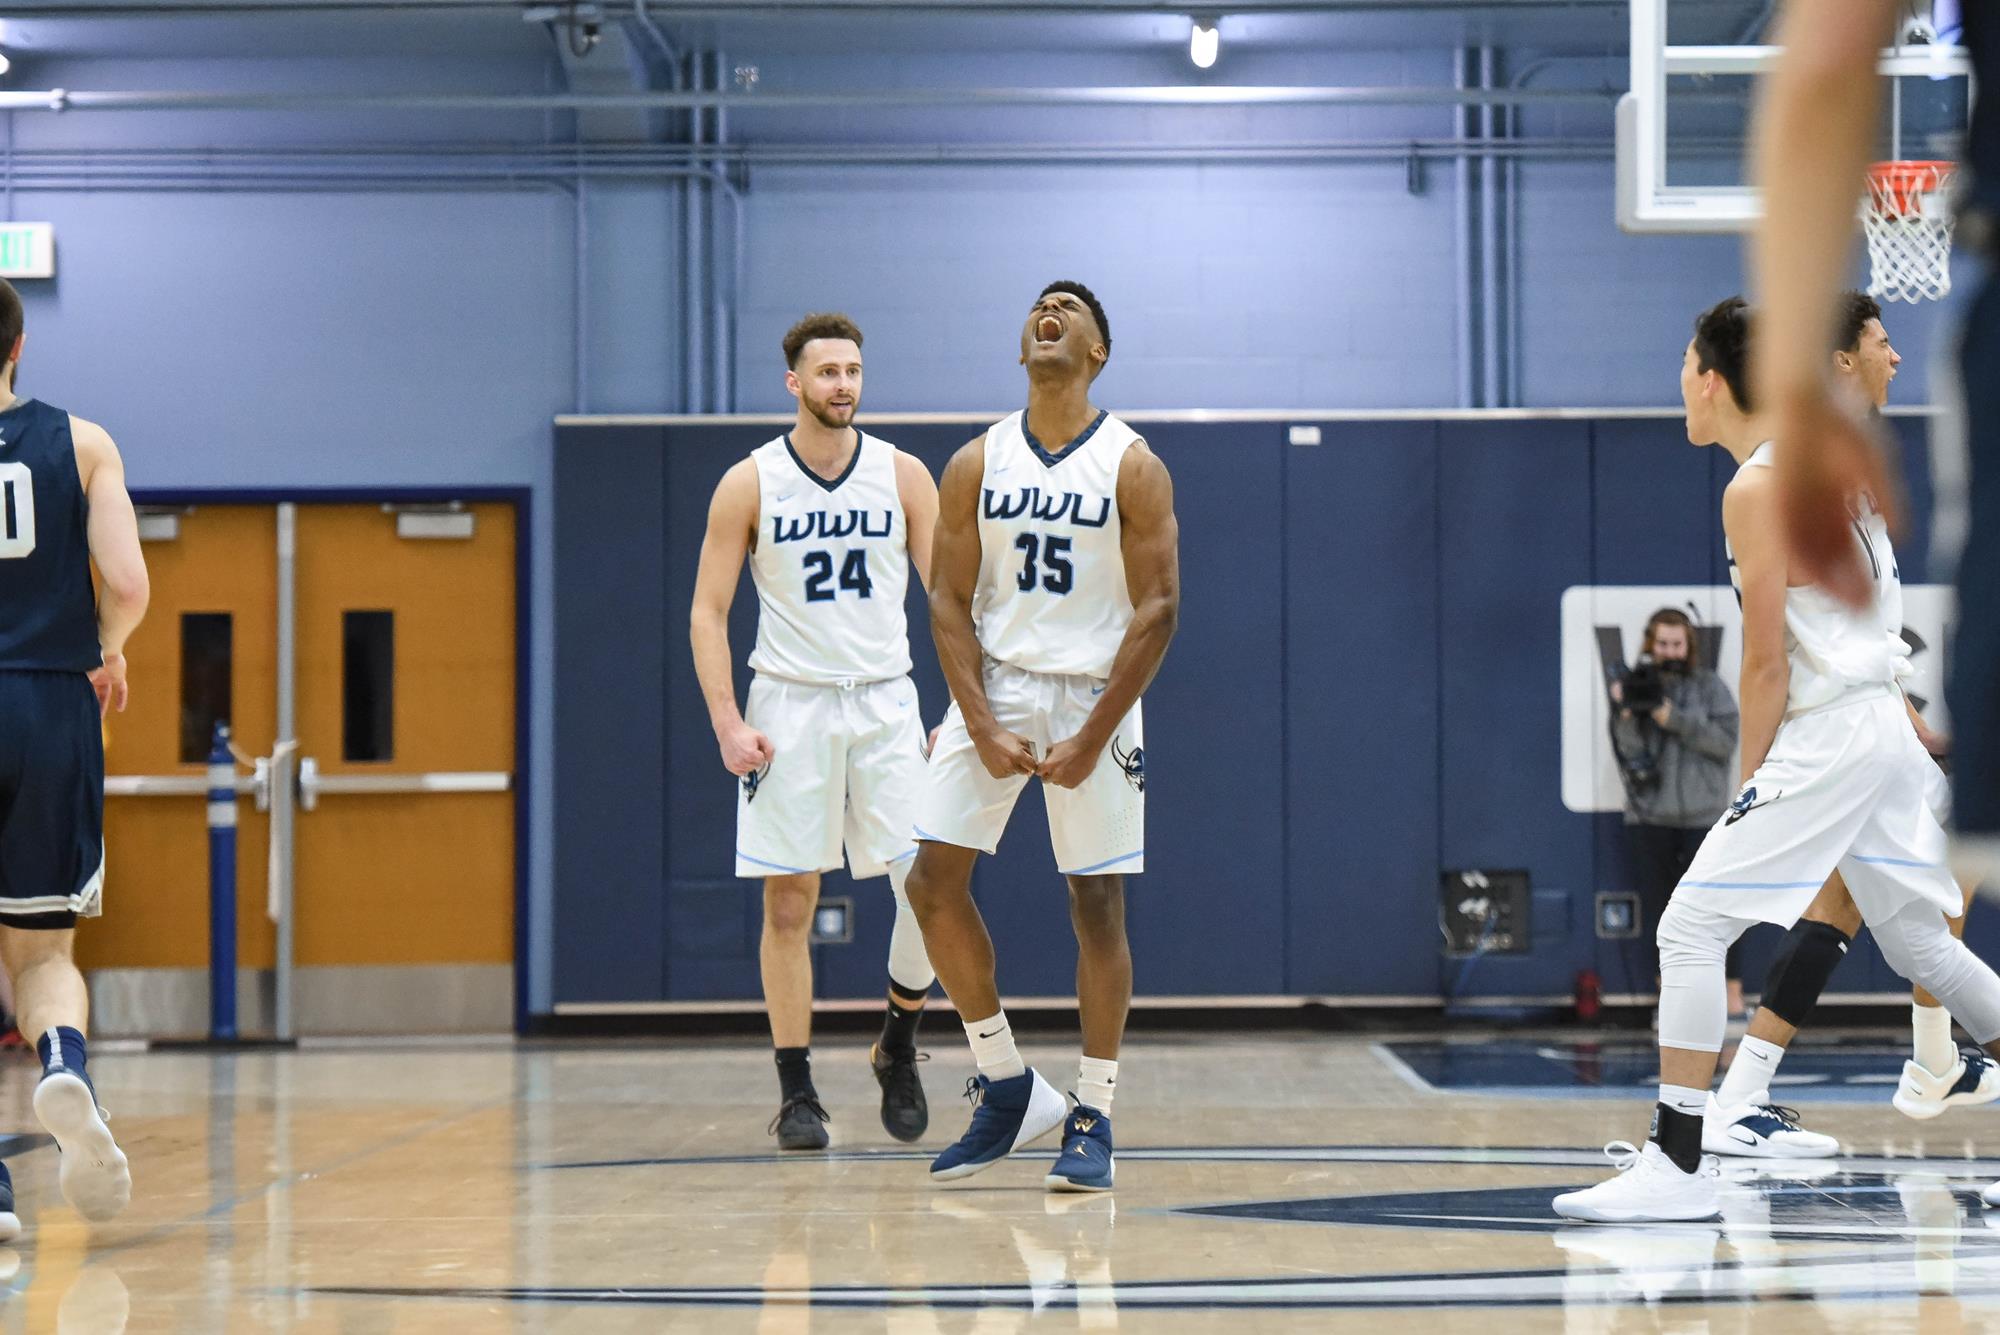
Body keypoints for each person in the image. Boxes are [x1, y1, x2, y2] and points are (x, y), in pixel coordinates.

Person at [1553, 296, 2000, 1224]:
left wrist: (1747, 785)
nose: (1678, 380)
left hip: (1831, 735)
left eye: (1683, 363)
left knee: (1687, 927)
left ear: (1712, 380)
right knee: (1923, 947)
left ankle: (1678, 1163)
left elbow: (1762, 661)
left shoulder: (1754, 487)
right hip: (1878, 725)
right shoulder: (1834, 464)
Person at [1704, 292, 1996, 1161]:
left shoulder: (1843, 459)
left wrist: (1898, 708)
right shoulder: (1793, 468)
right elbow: (1780, 646)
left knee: (1909, 909)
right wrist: (1753, 782)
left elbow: (1847, 629)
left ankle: (1911, 1063)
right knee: (1712, 924)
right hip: (1831, 736)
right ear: (1839, 359)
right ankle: (1705, 1121)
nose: (1897, 355)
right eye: (1880, 340)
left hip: (1862, 720)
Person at [904, 281, 1179, 1192]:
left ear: (1097, 350)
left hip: (1095, 693)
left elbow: (1159, 608)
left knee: (1094, 903)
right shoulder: (974, 462)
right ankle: (1009, 1081)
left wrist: (1096, 734)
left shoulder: (1133, 464)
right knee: (929, 882)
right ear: (1024, 343)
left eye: (1070, 306)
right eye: (1037, 305)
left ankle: (1094, 1111)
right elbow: (945, 598)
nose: (1047, 310)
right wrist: (978, 720)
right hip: (1000, 685)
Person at [1749, 0, 1998, 892]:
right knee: (1908, 916)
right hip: (1863, 731)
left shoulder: (1766, 486)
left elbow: (1825, 59)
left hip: (1849, 739)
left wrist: (1798, 393)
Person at [689, 313, 940, 1150]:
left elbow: (950, 607)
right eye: (827, 371)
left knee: (929, 890)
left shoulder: (904, 475)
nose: (843, 384)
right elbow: (708, 611)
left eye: (854, 370)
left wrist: (959, 717)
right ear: (794, 382)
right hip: (789, 702)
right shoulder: (750, 481)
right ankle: (797, 1090)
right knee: (789, 898)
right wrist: (728, 720)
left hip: (884, 700)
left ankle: (897, 1045)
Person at [0, 276, 146, 1234]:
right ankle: (61, 1063)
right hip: (48, 702)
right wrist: (108, 646)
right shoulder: (82, 442)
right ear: (16, 348)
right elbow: (129, 582)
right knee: (44, 946)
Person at [1609, 609, 1743, 1016]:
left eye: (1676, 644)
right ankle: (1670, 1000)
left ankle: (1731, 995)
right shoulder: (1638, 687)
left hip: (1703, 816)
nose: (1669, 652)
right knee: (1660, 911)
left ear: (1689, 646)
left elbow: (1725, 742)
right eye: (1662, 644)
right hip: (1651, 817)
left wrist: (1674, 719)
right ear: (1651, 645)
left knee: (1719, 909)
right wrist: (1628, 714)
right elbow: (1629, 754)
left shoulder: (1710, 688)